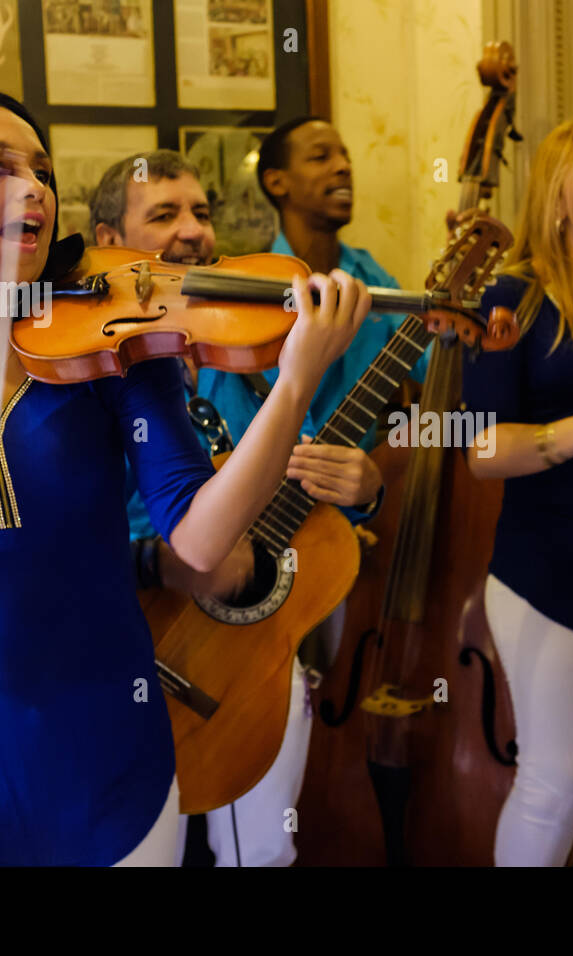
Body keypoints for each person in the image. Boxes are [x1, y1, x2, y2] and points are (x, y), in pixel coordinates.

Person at [0, 90, 370, 866]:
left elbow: (199, 545)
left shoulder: (122, 353)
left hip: (114, 775)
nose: (33, 186)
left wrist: (295, 386)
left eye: (42, 170)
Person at [101, 119, 425, 867]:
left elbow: (302, 501)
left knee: (264, 856)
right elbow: (63, 548)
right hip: (138, 649)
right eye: (164, 216)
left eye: (202, 213)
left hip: (253, 657)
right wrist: (160, 562)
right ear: (108, 236)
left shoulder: (244, 348)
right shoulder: (92, 379)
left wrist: (365, 488)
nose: (192, 234)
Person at [461, 117, 573, 866]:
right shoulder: (512, 300)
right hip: (544, 573)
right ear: (559, 197)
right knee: (558, 783)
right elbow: (482, 450)